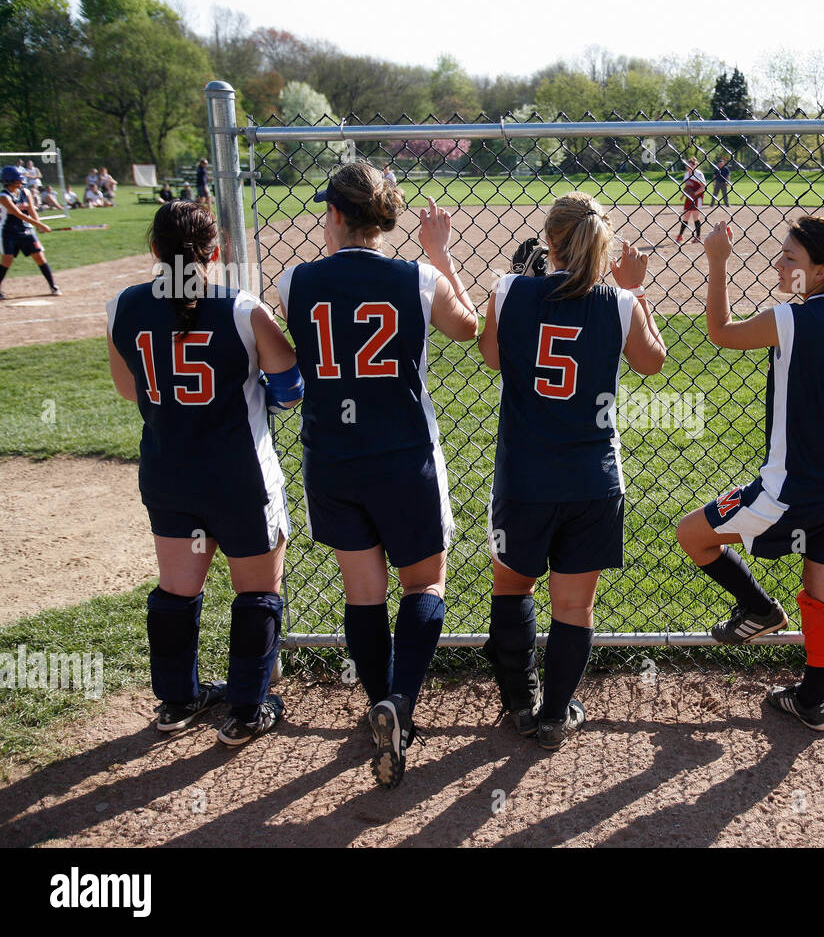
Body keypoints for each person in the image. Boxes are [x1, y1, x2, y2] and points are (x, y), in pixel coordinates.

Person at [278, 161, 478, 787]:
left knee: (362, 592)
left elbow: (293, 358)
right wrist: (440, 254)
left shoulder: (293, 282)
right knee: (424, 584)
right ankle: (401, 704)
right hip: (404, 454)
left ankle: (377, 705)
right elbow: (469, 329)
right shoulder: (417, 279)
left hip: (332, 457)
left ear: (336, 214)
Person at [675, 216, 824, 731]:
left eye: (791, 259)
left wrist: (716, 263)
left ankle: (758, 609)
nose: (779, 264)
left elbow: (720, 332)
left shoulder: (792, 317)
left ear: (820, 272)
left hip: (791, 486)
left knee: (691, 534)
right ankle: (811, 701)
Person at [105, 200, 303, 745]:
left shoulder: (122, 307)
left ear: (153, 250)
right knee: (258, 592)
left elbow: (129, 389)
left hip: (170, 473)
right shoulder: (243, 308)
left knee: (177, 590)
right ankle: (246, 709)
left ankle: (177, 700)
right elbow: (289, 391)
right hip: (240, 476)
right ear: (215, 253)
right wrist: (252, 389)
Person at [476, 191, 666, 749]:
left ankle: (520, 704)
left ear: (549, 242)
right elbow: (653, 362)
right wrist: (632, 291)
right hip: (593, 479)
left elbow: (491, 356)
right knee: (574, 606)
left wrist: (516, 283)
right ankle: (556, 713)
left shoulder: (510, 290)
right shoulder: (619, 303)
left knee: (512, 587)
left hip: (525, 478)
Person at [0, 165, 59, 298]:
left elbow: (31, 210)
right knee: (7, 260)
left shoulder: (25, 192)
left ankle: (53, 286)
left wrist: (38, 225)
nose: (20, 182)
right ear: (8, 181)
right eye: (17, 180)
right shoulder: (4, 197)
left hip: (26, 230)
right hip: (8, 233)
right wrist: (41, 224)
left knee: (39, 256)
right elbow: (18, 214)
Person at [675, 157, 707, 244]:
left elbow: (703, 187)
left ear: (695, 166)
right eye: (688, 165)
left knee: (696, 217)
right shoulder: (686, 174)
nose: (688, 167)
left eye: (691, 165)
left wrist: (695, 193)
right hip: (689, 197)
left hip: (698, 197)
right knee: (686, 216)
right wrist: (683, 195)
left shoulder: (698, 174)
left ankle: (698, 236)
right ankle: (680, 236)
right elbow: (687, 187)